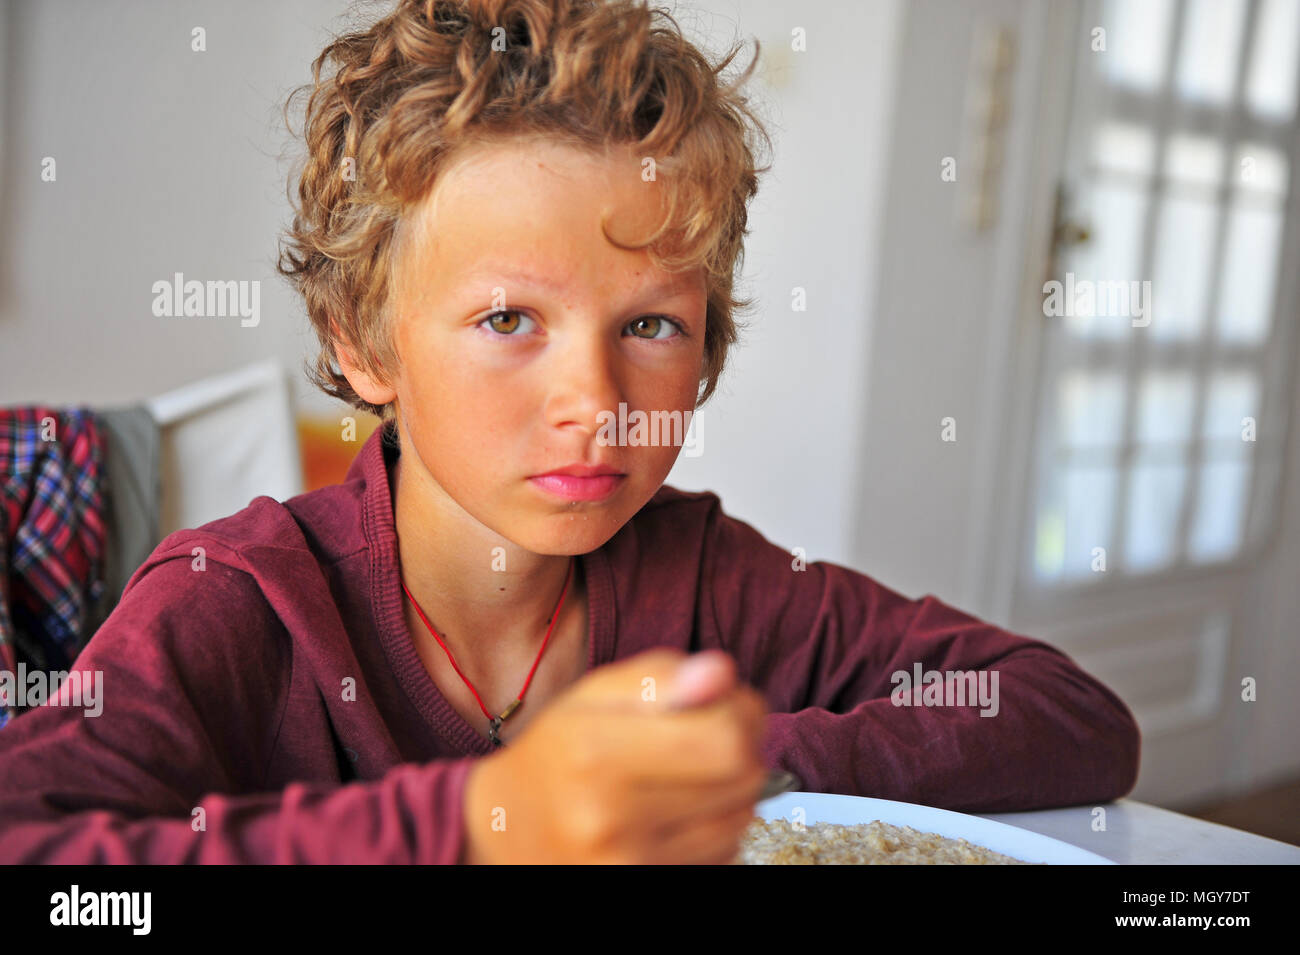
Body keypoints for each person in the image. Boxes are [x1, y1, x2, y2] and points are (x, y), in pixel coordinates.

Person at [0, 0, 1140, 864]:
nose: (597, 402)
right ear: (362, 344)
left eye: (649, 323)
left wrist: (714, 769)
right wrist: (490, 818)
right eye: (507, 319)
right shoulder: (241, 603)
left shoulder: (701, 577)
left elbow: (1065, 715)